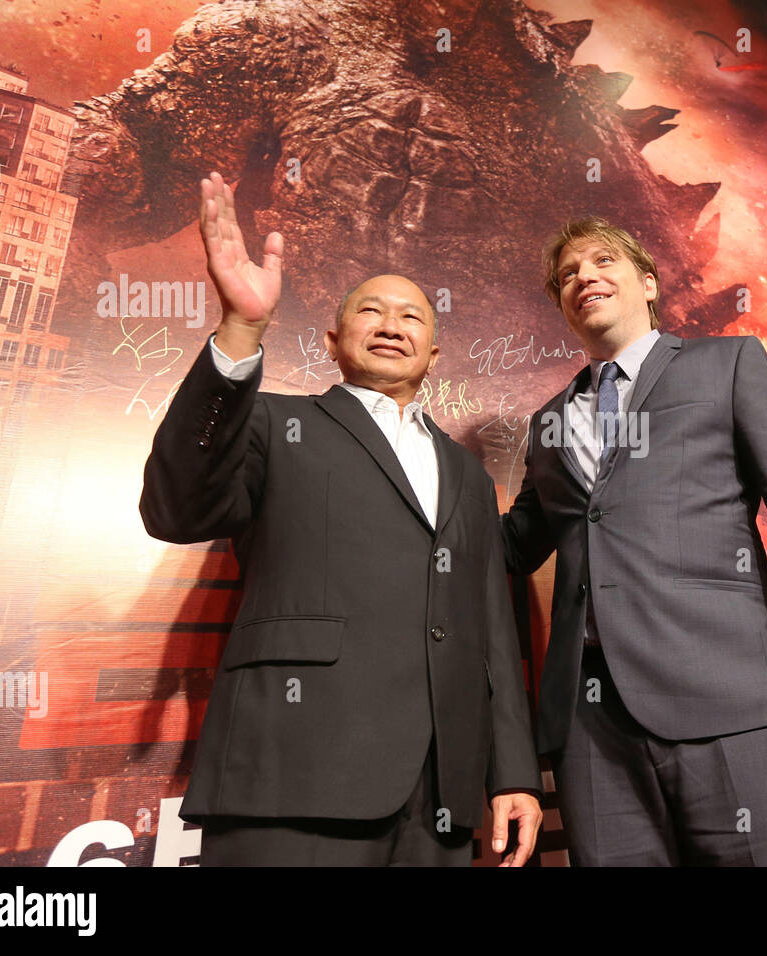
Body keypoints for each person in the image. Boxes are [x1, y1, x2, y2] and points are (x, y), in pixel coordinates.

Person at [140, 171, 542, 866]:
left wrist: (511, 773)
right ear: (332, 340)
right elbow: (176, 510)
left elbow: (491, 634)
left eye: (413, 317)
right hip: (292, 775)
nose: (392, 325)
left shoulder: (471, 479)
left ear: (435, 354)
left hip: (438, 798)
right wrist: (241, 329)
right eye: (371, 312)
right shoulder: (271, 422)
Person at [501, 215, 767, 866]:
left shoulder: (728, 363)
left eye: (602, 262)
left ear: (647, 282)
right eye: (567, 275)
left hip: (730, 703)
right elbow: (509, 548)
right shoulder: (549, 423)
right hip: (590, 731)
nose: (583, 276)